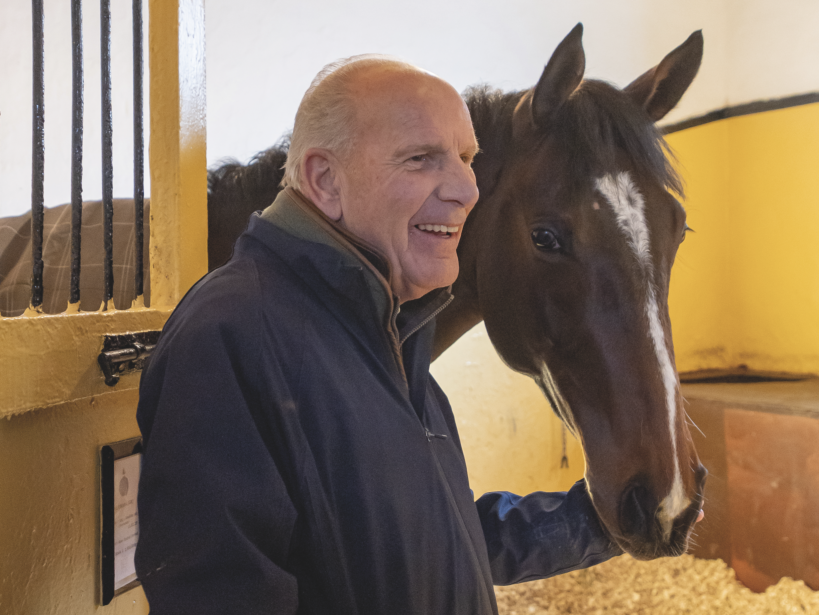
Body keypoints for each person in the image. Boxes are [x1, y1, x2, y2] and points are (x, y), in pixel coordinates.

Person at [135, 55, 618, 615]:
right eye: (421, 160)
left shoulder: (395, 330)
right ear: (324, 179)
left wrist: (590, 525)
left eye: (466, 159)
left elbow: (426, 544)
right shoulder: (233, 335)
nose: (467, 189)